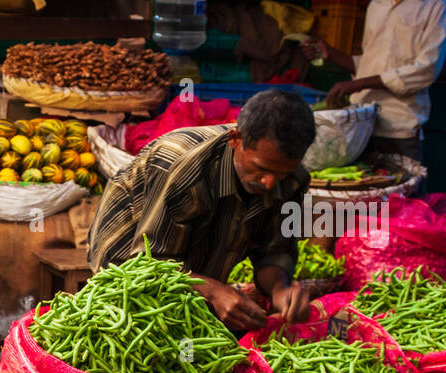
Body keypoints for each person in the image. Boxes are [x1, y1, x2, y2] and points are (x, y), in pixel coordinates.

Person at [87, 89, 317, 332]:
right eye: (261, 168)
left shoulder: (293, 179)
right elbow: (147, 266)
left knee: (194, 329)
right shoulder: (182, 168)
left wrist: (280, 289)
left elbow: (274, 250)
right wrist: (213, 290)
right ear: (235, 139)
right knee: (135, 323)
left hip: (198, 248)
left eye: (281, 174)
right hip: (129, 244)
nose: (270, 183)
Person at [305, 0, 446, 164]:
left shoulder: (436, 7)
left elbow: (426, 69)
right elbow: (371, 62)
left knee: (403, 200)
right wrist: (331, 53)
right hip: (363, 125)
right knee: (366, 199)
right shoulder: (376, 5)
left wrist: (357, 84)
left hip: (401, 128)